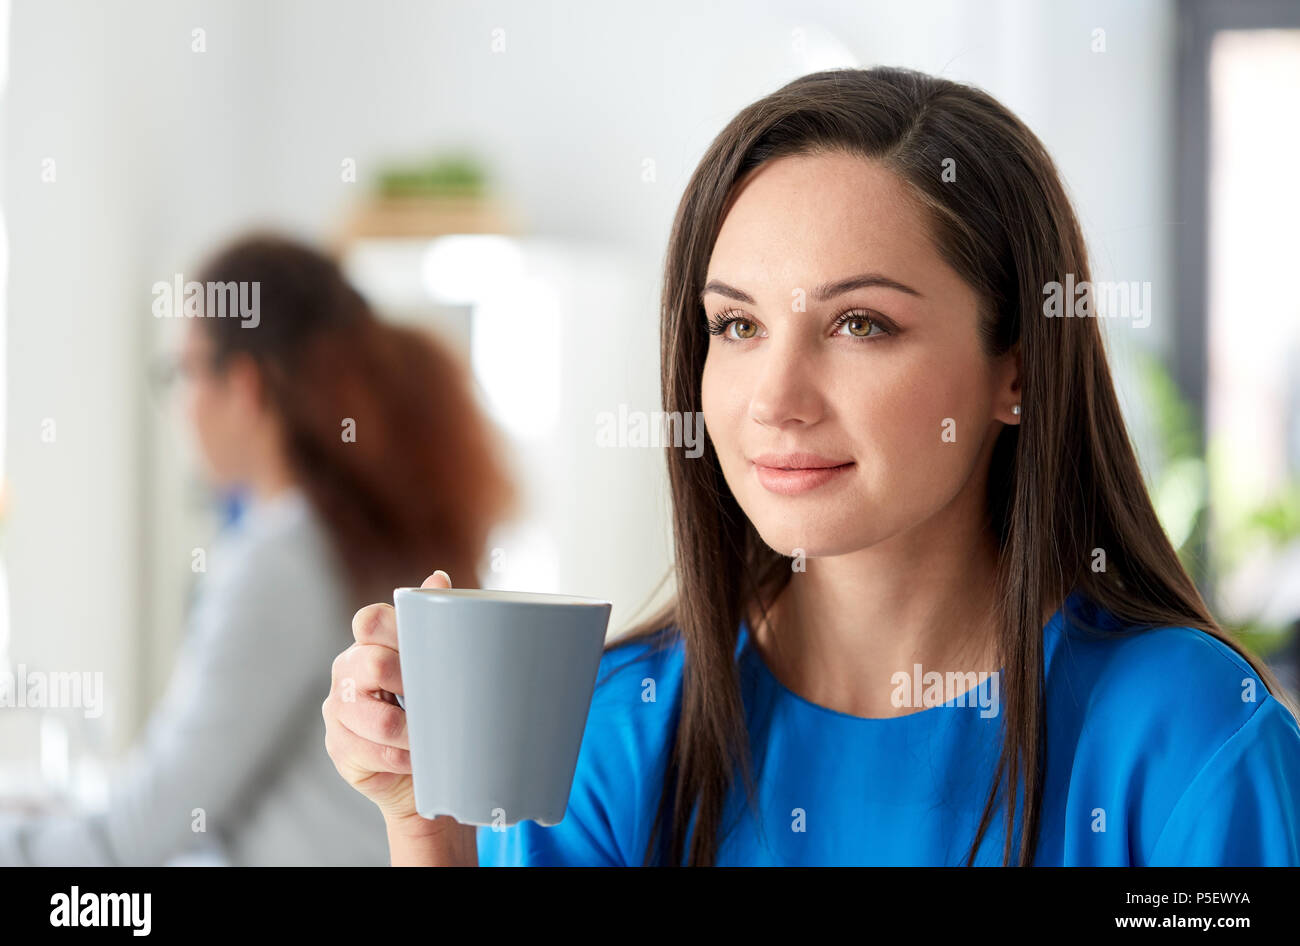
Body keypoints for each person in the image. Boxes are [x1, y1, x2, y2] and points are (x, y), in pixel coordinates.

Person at [322, 67, 1300, 866]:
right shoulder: (615, 732)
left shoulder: (1190, 735)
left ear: (1018, 369)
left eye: (859, 323)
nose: (775, 398)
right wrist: (431, 836)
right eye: (737, 324)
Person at [0, 234, 514, 865]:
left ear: (243, 385)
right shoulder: (368, 527)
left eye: (184, 372)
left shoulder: (282, 560)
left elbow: (137, 835)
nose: (182, 406)